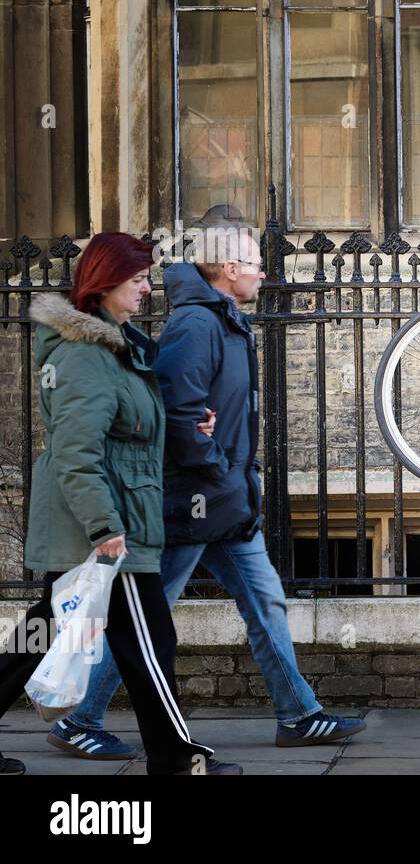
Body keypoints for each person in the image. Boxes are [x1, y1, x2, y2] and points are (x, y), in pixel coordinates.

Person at [46, 225, 364, 761]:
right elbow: (174, 411)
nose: (266, 270)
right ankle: (78, 718)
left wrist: (234, 479)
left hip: (224, 500)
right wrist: (217, 469)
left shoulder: (223, 319)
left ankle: (299, 714)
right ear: (230, 270)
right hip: (190, 502)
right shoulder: (197, 323)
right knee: (145, 622)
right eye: (256, 262)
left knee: (265, 602)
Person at [0, 233, 240, 775]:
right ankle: (176, 758)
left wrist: (192, 427)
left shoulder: (120, 344)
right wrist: (104, 528)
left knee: (42, 633)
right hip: (108, 528)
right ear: (105, 284)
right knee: (150, 644)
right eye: (137, 280)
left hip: (103, 521)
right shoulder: (86, 354)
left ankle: (173, 755)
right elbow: (76, 451)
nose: (147, 288)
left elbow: (133, 431)